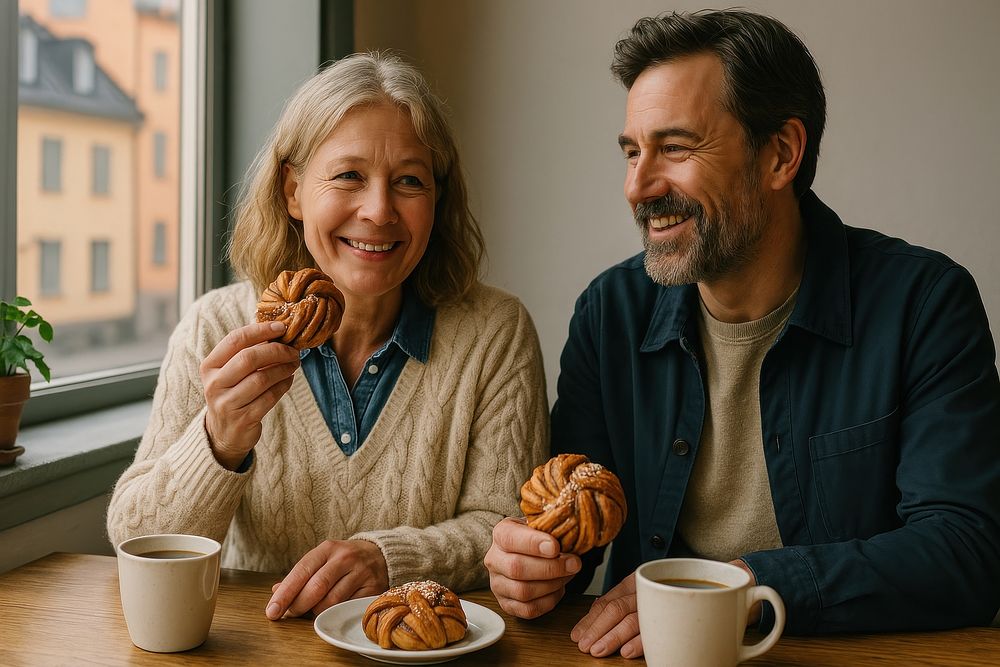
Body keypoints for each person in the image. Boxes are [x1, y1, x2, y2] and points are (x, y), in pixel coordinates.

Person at [484, 9, 1000, 659]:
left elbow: (967, 551)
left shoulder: (924, 305)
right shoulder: (609, 313)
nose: (637, 186)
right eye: (631, 152)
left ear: (780, 153)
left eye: (674, 148)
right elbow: (574, 527)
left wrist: (744, 589)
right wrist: (534, 566)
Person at [107, 51, 548, 621]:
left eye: (410, 181)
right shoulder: (214, 329)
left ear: (437, 201)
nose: (379, 210)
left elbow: (506, 529)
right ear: (292, 190)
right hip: (257, 652)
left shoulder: (495, 333)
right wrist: (217, 441)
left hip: (424, 655)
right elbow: (135, 540)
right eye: (348, 176)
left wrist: (388, 560)